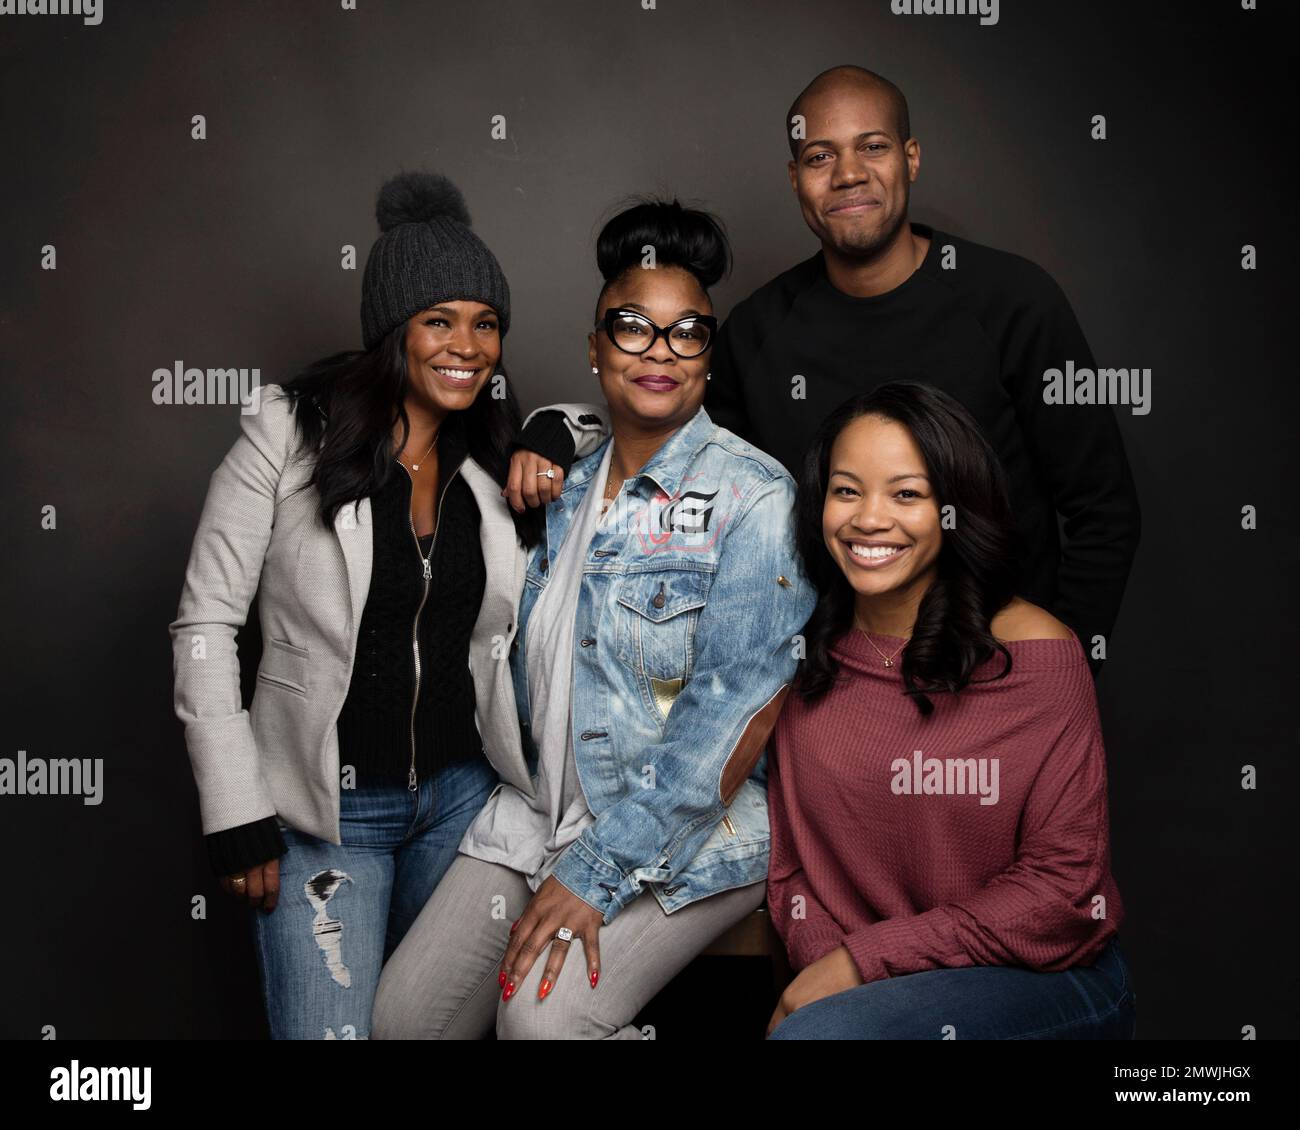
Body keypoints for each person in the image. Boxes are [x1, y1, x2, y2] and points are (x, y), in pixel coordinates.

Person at [168, 170, 608, 1039]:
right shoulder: (288, 432)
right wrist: (233, 807)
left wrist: (554, 429)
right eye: (438, 321)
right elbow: (206, 625)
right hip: (325, 817)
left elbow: (611, 413)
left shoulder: (493, 451)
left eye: (486, 325)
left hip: (462, 806)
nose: (467, 345)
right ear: (390, 332)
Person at [515, 64, 1141, 674]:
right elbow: (671, 454)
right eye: (819, 156)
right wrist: (562, 429)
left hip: (993, 671)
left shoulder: (1012, 302)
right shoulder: (758, 331)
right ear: (795, 178)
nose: (847, 174)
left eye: (872, 146)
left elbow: (1102, 509)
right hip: (826, 686)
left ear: (911, 157)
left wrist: (1059, 670)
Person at [370, 199, 817, 1040]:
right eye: (632, 328)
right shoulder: (555, 484)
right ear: (594, 346)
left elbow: (731, 720)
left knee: (541, 1023)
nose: (660, 353)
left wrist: (598, 868)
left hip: (688, 826)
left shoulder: (755, 498)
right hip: (535, 813)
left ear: (708, 356)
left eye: (688, 333)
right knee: (403, 1022)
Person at [765, 381, 1134, 1039]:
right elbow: (791, 867)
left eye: (906, 494)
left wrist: (861, 965)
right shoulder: (805, 650)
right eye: (847, 490)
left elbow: (1063, 887)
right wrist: (828, 971)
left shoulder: (1036, 657)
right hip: (876, 989)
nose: (869, 519)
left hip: (1039, 978)